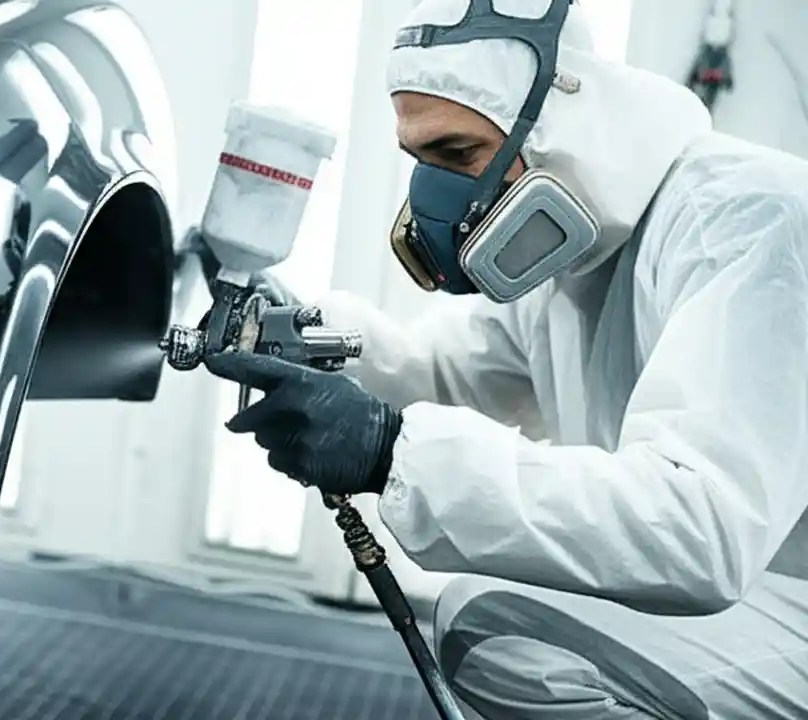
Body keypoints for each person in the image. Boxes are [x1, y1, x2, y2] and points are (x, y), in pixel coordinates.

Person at [206, 0, 808, 717]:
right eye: (422, 161)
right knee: (490, 622)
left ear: (558, 128)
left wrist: (388, 451)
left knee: (501, 632)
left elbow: (700, 527)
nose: (436, 198)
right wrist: (300, 334)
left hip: (785, 594)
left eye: (458, 155)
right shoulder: (576, 251)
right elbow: (443, 374)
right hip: (755, 597)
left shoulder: (752, 218)